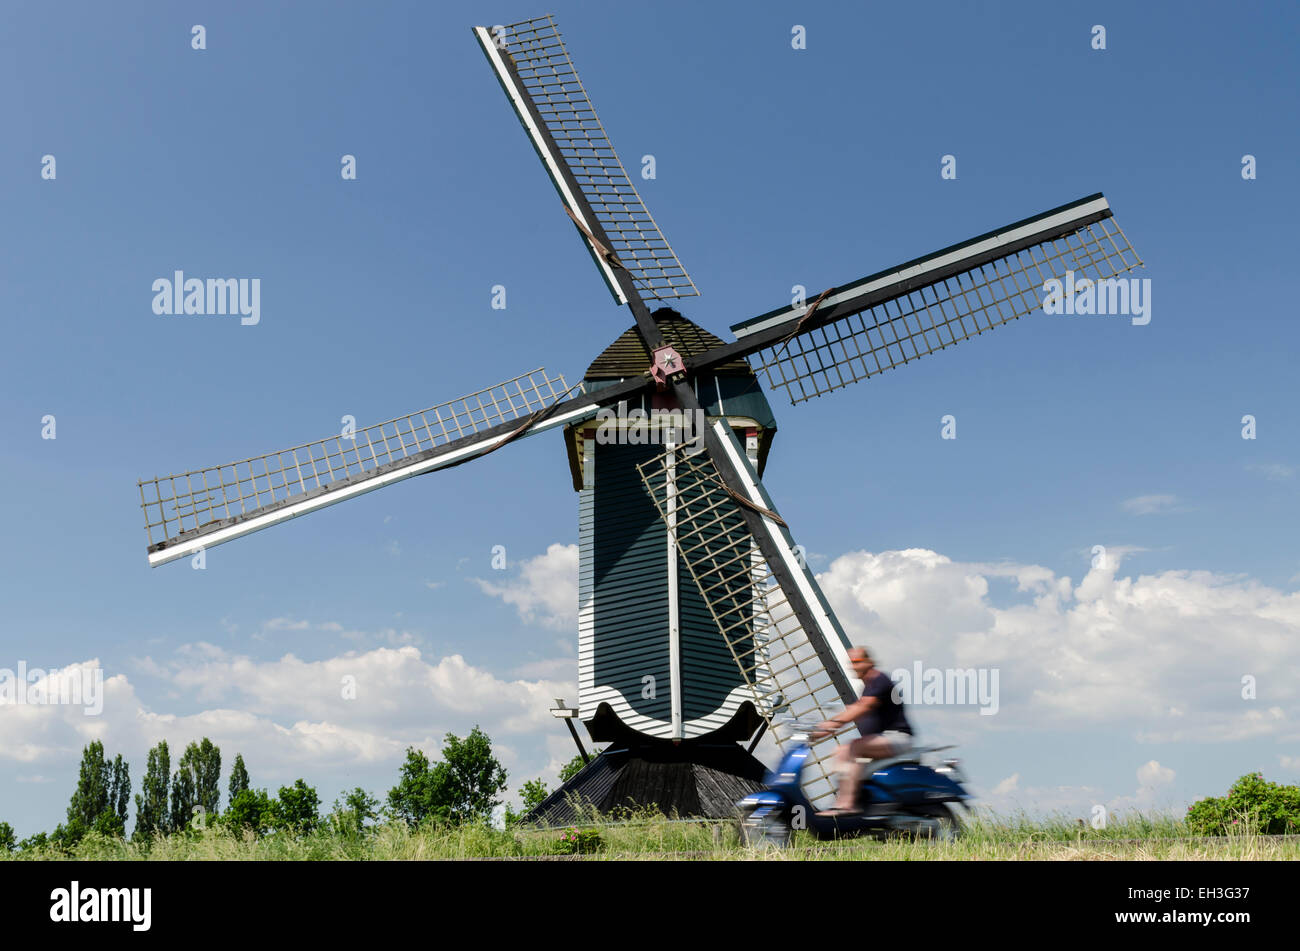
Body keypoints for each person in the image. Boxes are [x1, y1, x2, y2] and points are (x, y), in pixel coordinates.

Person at [812, 646, 913, 815]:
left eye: (857, 662)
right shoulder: (868, 686)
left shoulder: (879, 680)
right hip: (884, 739)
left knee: (853, 747)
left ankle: (847, 805)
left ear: (869, 662)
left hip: (898, 738)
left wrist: (830, 726)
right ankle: (849, 803)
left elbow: (861, 708)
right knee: (841, 750)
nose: (853, 666)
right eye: (851, 663)